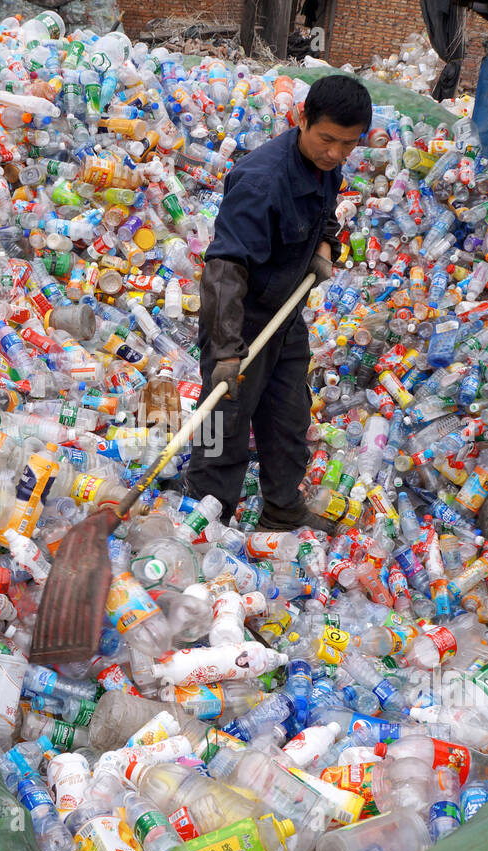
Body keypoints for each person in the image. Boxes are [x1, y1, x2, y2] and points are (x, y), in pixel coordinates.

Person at [184, 74, 372, 535]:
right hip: (240, 320)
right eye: (327, 139)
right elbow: (224, 270)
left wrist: (325, 246)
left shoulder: (325, 168)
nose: (335, 153)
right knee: (221, 424)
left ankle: (282, 509)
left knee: (288, 418)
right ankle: (209, 519)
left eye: (347, 145)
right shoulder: (261, 180)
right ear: (302, 118)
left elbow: (323, 216)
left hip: (285, 316)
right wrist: (227, 351)